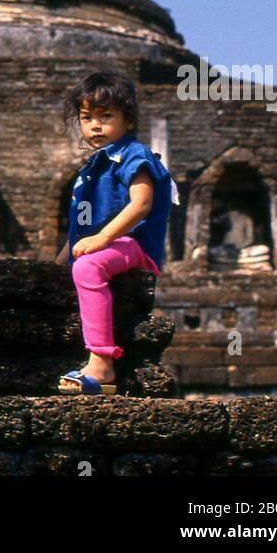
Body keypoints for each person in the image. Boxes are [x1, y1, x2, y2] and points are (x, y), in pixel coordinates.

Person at [55, 71, 177, 394]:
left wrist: (101, 239)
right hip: (106, 246)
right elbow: (81, 232)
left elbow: (141, 204)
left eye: (106, 116)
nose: (95, 125)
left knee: (88, 266)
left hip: (134, 246)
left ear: (128, 120)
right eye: (87, 117)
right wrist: (55, 265)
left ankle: (102, 362)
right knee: (63, 273)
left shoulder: (134, 155)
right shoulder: (90, 171)